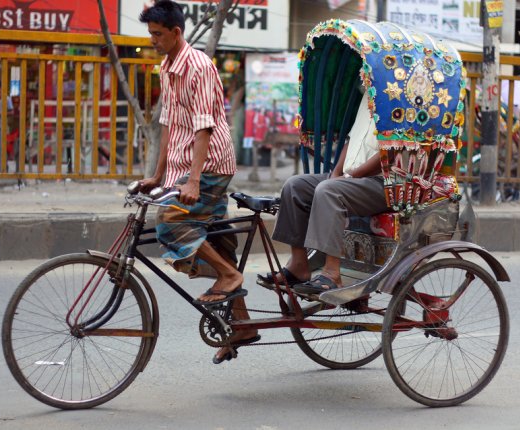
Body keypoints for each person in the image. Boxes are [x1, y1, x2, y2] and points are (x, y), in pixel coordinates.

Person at [138, 0, 258, 363]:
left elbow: (204, 126)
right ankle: (243, 325)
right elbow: (170, 125)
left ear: (176, 32)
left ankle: (227, 277)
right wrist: (158, 175)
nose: (153, 41)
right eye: (151, 35)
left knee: (172, 221)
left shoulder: (198, 66)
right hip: (185, 165)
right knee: (219, 242)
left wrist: (192, 182)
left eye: (158, 35)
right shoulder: (167, 66)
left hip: (211, 165)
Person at [262, 90, 389, 293]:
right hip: (352, 177)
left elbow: (389, 152)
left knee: (329, 191)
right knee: (295, 186)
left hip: (384, 183)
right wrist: (336, 173)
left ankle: (332, 273)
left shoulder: (398, 97)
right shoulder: (368, 96)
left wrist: (350, 177)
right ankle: (299, 265)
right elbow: (352, 140)